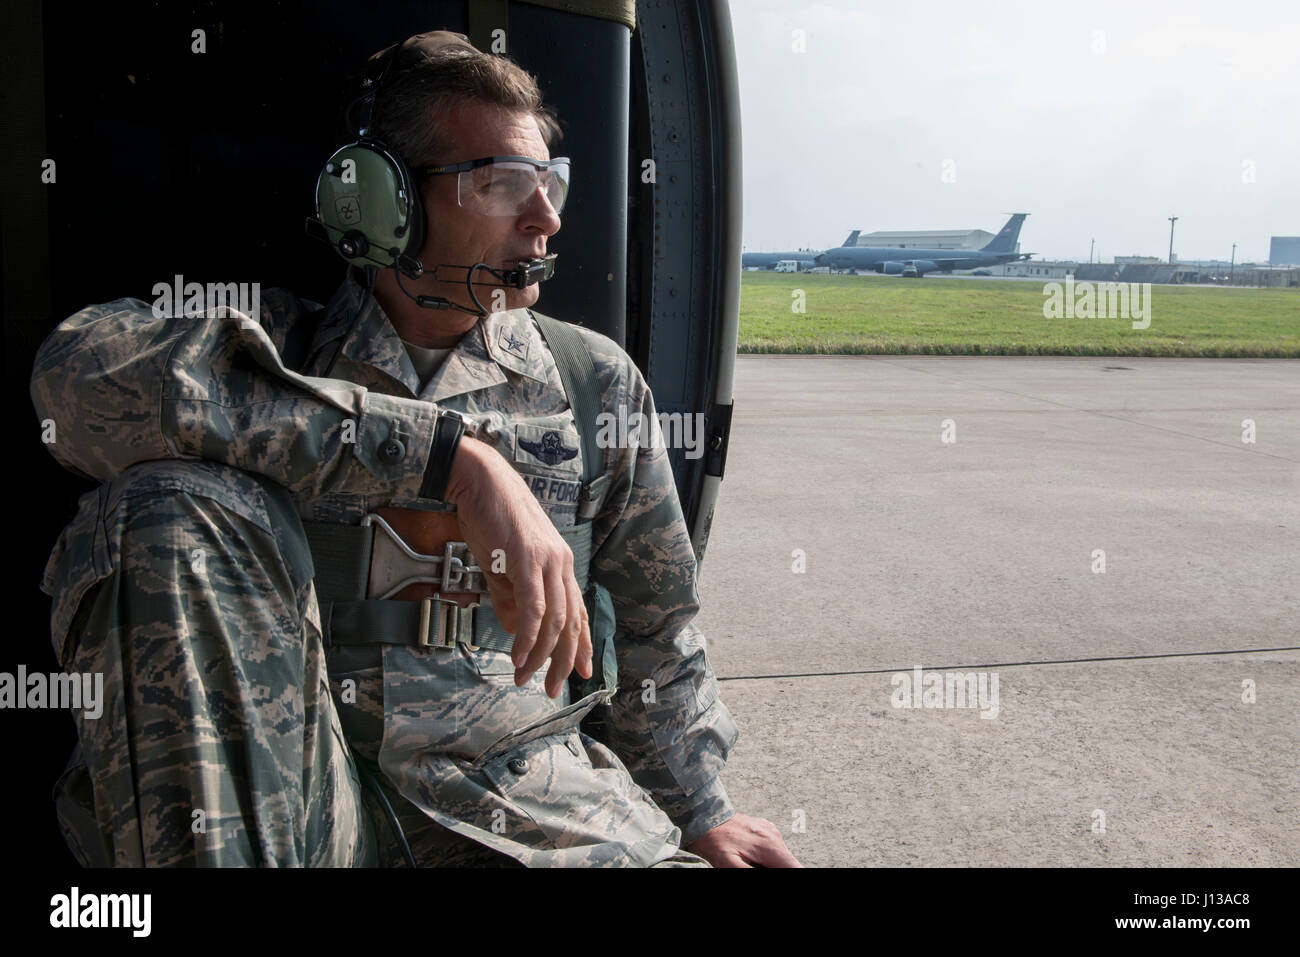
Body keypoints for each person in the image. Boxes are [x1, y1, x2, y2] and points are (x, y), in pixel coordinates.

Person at [32, 29, 798, 868]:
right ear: (380, 201)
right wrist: (446, 459)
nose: (545, 217)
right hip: (301, 808)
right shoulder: (274, 356)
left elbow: (661, 630)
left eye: (552, 183)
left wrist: (700, 809)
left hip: (532, 811)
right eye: (505, 184)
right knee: (163, 508)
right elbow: (74, 381)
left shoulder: (595, 384)